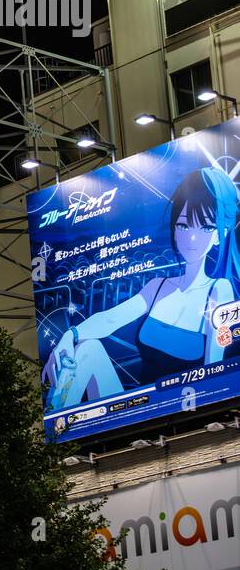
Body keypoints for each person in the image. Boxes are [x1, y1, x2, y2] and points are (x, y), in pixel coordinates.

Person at [42, 167, 240, 410]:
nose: (191, 239)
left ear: (220, 235)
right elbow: (110, 319)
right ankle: (55, 431)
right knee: (87, 348)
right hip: (142, 407)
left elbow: (214, 371)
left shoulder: (219, 291)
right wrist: (68, 336)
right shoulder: (158, 288)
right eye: (184, 225)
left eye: (206, 227)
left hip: (190, 407)